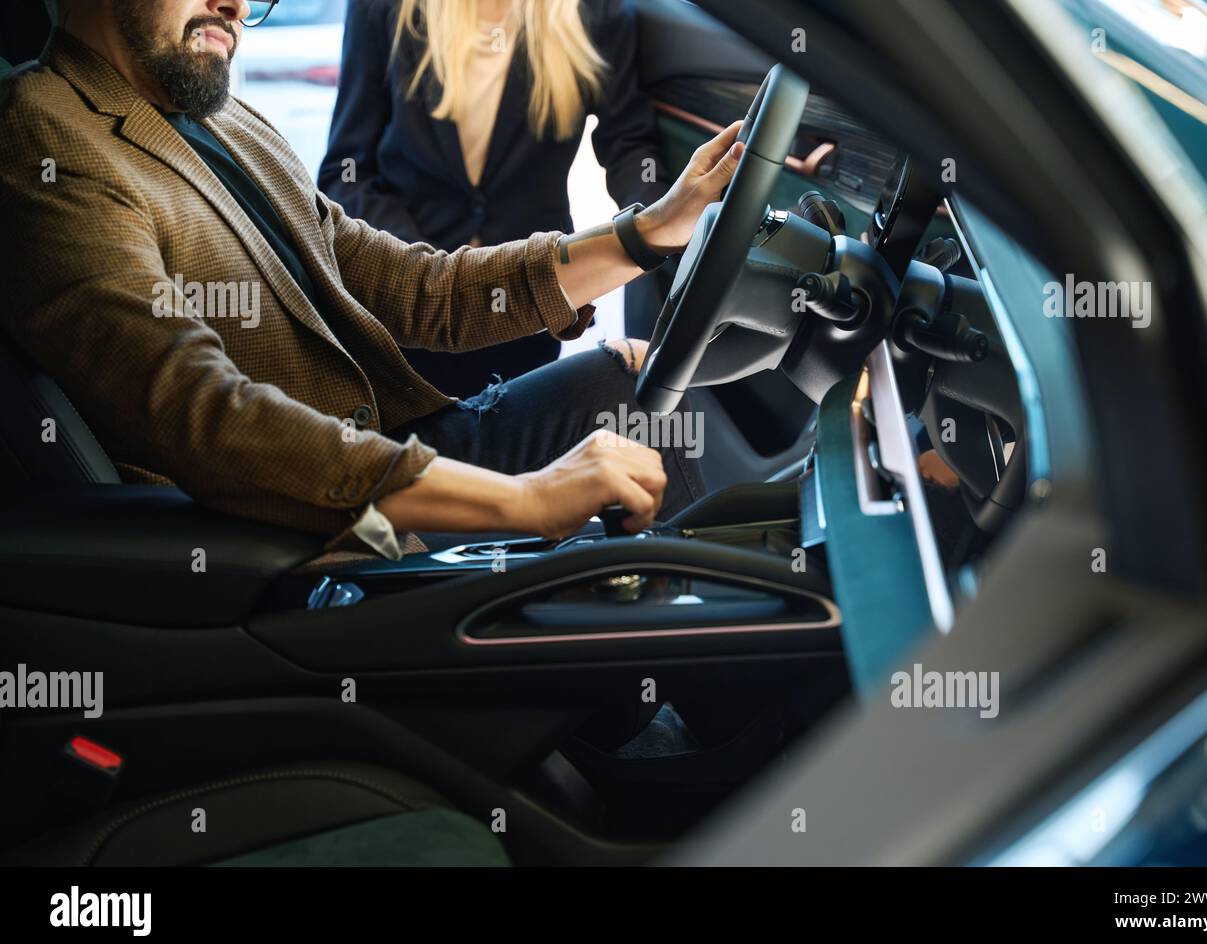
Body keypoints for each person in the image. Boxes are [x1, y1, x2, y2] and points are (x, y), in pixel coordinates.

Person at [0, 0, 743, 558]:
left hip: (377, 441)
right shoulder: (48, 134)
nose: (233, 4)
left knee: (616, 391)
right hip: (289, 538)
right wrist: (523, 499)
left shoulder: (229, 125)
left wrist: (644, 234)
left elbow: (410, 287)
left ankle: (686, 706)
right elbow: (201, 414)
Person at [320, 0, 669, 398]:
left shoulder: (597, 14)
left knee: (514, 448)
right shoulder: (385, 9)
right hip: (407, 303)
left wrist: (657, 220)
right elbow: (346, 172)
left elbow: (628, 144)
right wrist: (426, 274)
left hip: (527, 299)